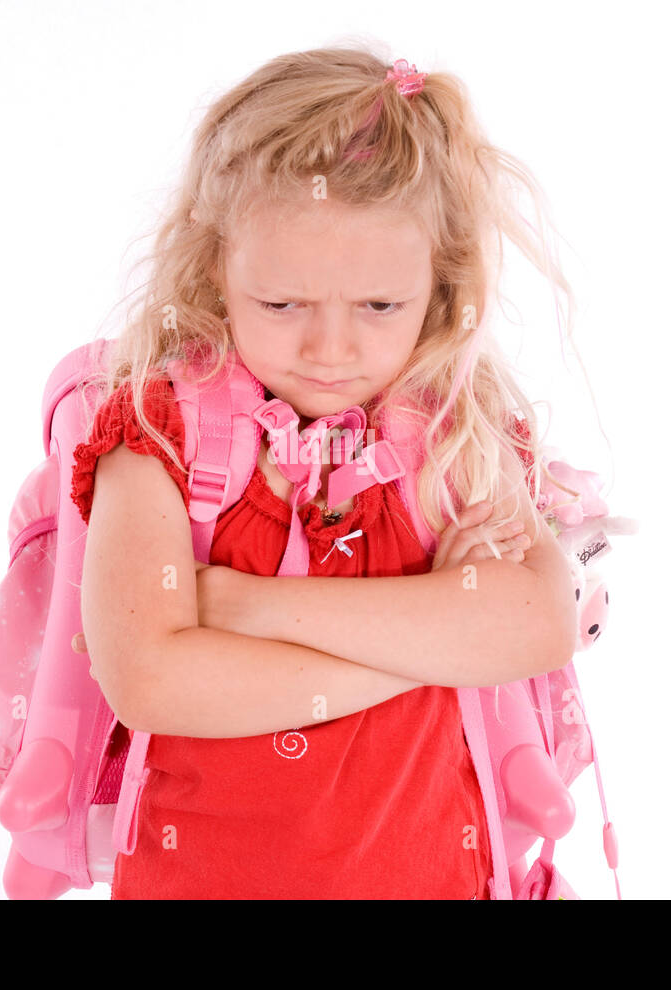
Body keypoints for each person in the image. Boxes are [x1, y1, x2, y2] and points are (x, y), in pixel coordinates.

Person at [71, 46, 583, 899]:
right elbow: (153, 680)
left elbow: (539, 620)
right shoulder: (161, 432)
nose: (331, 350)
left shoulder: (454, 428)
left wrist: (250, 607)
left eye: (381, 307)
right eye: (283, 305)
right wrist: (434, 644)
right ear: (214, 269)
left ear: (441, 285)